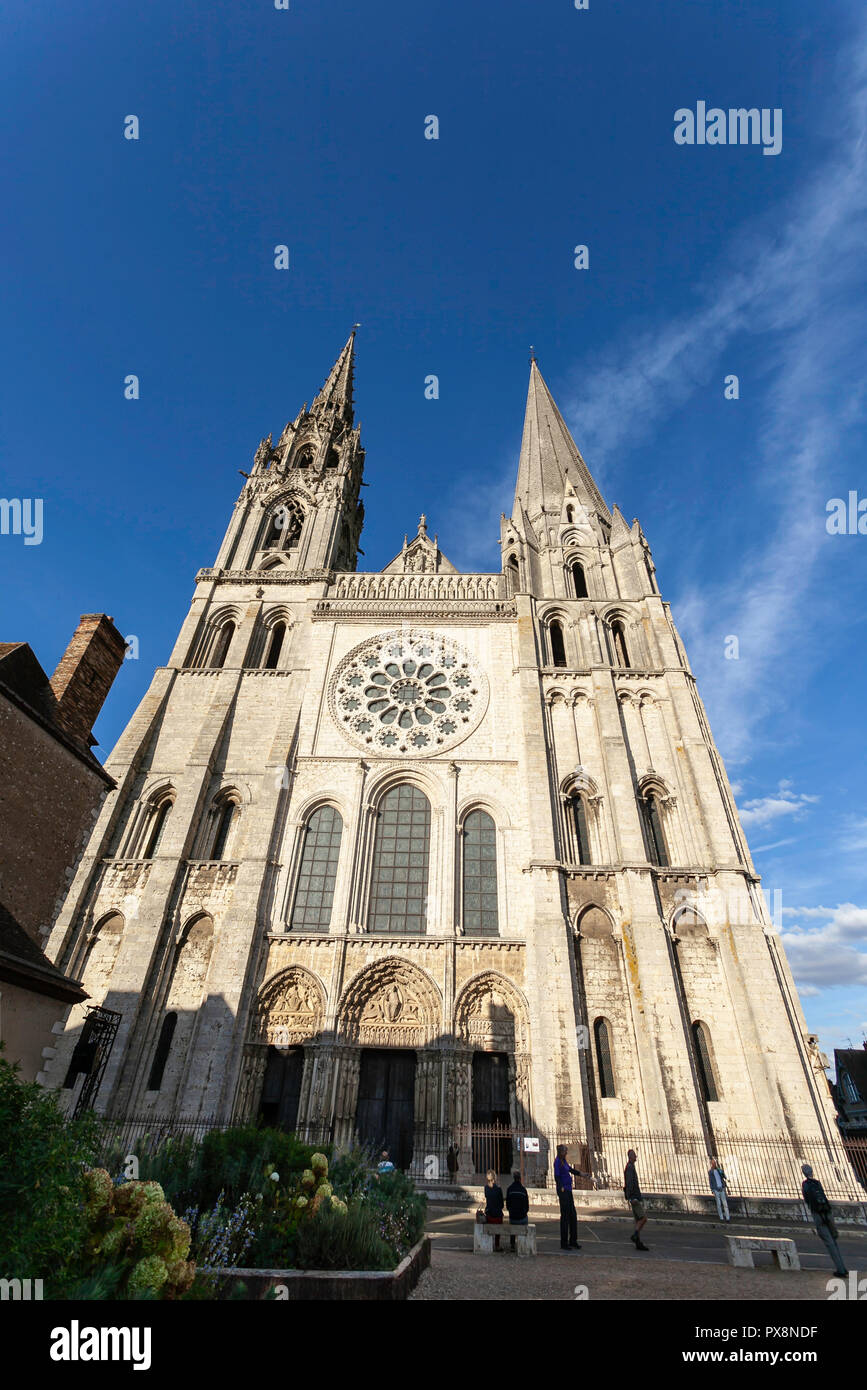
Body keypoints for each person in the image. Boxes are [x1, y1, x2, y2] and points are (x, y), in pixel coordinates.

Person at [801, 1164, 848, 1278]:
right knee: (833, 1239)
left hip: (818, 1215)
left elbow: (807, 1200)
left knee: (829, 1243)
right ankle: (842, 1267)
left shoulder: (805, 1184)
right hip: (828, 1212)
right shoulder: (818, 1183)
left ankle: (841, 1270)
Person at [553, 1144, 586, 1251]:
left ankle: (573, 1240)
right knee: (565, 1216)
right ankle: (564, 1243)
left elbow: (570, 1170)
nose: (566, 1153)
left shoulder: (564, 1161)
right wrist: (561, 1187)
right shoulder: (557, 1162)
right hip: (563, 1191)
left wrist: (581, 1174)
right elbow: (557, 1177)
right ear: (560, 1152)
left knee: (573, 1215)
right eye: (565, 1151)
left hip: (568, 1190)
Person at [624, 1148, 649, 1250]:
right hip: (634, 1197)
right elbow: (629, 1183)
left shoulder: (631, 1167)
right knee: (643, 1218)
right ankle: (635, 1236)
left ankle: (638, 1242)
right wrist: (631, 1197)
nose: (636, 1157)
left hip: (634, 1196)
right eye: (634, 1155)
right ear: (631, 1157)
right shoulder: (629, 1168)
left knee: (638, 1219)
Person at [506, 1171, 530, 1252]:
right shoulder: (523, 1190)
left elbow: (507, 1205)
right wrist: (523, 1212)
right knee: (525, 1221)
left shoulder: (509, 1189)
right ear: (520, 1179)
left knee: (512, 1223)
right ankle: (524, 1242)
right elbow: (527, 1207)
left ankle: (512, 1244)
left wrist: (512, 1212)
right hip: (522, 1217)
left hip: (513, 1217)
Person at [484, 1168, 506, 1251]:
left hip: (489, 1215)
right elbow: (501, 1205)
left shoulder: (486, 1188)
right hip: (497, 1217)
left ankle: (487, 1243)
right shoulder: (498, 1189)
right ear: (495, 1178)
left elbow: (487, 1198)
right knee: (499, 1219)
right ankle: (497, 1245)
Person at [708, 1157, 730, 1222]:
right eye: (713, 1163)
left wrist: (721, 1172)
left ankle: (727, 1218)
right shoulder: (710, 1172)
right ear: (711, 1164)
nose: (714, 1164)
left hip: (722, 1188)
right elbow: (711, 1181)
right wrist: (712, 1189)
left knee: (725, 1204)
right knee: (719, 1204)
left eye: (715, 1163)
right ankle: (721, 1218)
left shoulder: (719, 1170)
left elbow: (724, 1177)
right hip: (716, 1189)